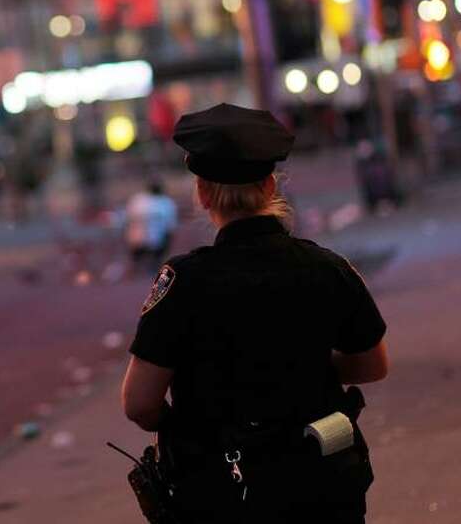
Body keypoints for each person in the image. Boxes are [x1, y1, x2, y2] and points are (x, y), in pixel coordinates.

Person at [121, 103, 389, 523]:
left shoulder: (183, 282)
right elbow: (372, 363)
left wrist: (186, 431)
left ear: (203, 193)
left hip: (221, 492)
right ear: (269, 187)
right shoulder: (326, 268)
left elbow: (139, 403)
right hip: (323, 483)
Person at [124, 181, 178, 274]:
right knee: (154, 254)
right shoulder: (165, 202)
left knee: (139, 257)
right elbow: (170, 225)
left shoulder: (137, 200)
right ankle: (153, 267)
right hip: (153, 238)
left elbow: (128, 217)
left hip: (138, 237)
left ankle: (137, 270)